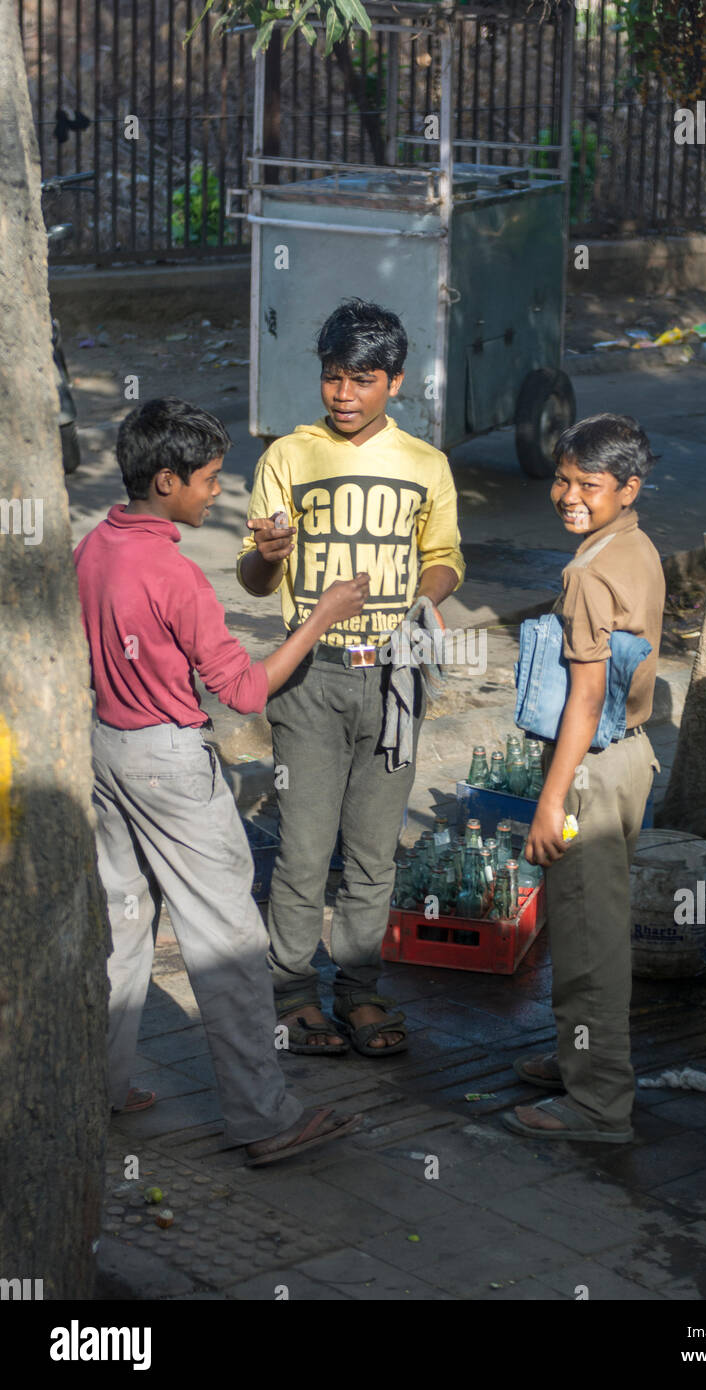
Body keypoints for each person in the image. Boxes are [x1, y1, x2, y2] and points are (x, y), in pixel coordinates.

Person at [74, 397, 368, 1165]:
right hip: (170, 761)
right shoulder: (175, 576)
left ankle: (94, 1086)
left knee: (123, 926)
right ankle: (265, 1118)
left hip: (106, 749)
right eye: (208, 480)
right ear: (166, 481)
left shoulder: (95, 546)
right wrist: (324, 616)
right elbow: (243, 692)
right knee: (230, 941)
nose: (218, 493)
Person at [237, 299, 464, 1056]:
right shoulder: (287, 459)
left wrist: (417, 604)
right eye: (333, 378)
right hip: (310, 679)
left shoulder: (426, 465)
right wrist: (269, 553)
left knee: (373, 854)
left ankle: (360, 993)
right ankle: (292, 994)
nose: (343, 395)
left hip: (397, 680)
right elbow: (255, 581)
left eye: (362, 380)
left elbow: (446, 558)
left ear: (394, 383)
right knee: (304, 850)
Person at [504, 413, 664, 1144]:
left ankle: (597, 1105)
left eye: (588, 485)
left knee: (589, 938)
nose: (569, 495)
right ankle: (579, 1058)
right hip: (627, 761)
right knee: (587, 925)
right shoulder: (633, 547)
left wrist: (550, 799)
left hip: (591, 774)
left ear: (628, 488)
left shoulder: (589, 574)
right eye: (564, 479)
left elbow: (586, 696)